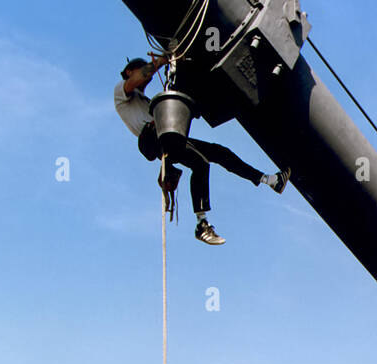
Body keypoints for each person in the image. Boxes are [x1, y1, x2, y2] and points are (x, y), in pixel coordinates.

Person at [115, 54, 290, 245]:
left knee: (218, 152)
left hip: (164, 136)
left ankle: (269, 180)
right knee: (200, 163)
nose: (147, 79)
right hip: (154, 137)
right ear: (130, 71)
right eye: (143, 72)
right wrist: (162, 61)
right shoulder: (121, 92)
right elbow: (139, 78)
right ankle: (201, 224)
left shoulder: (144, 100)